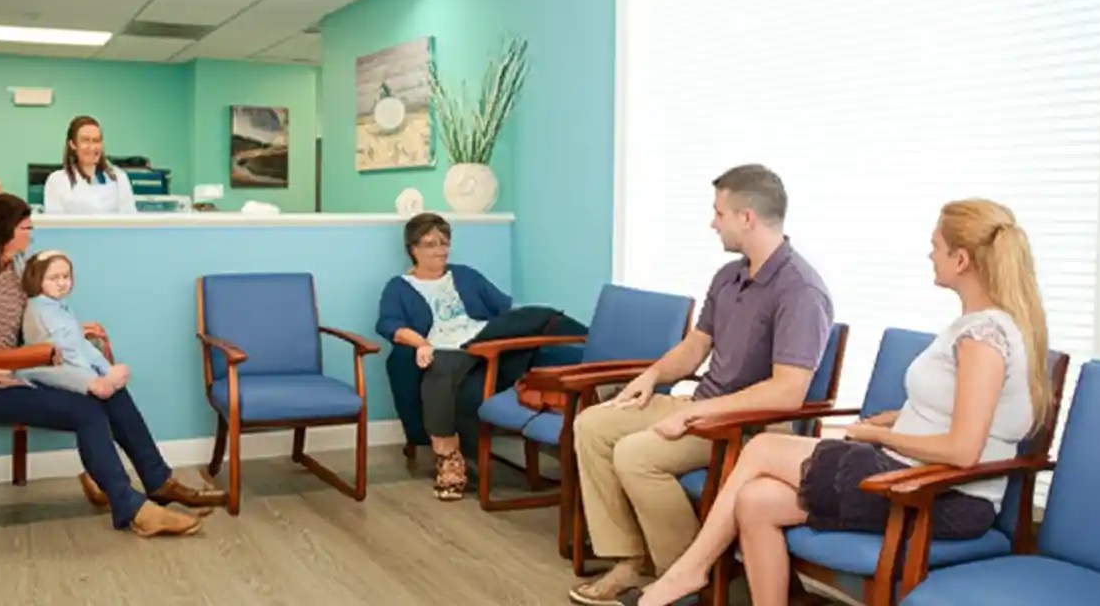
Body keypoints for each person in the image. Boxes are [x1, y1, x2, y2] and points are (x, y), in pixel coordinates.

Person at [622, 198, 1050, 606]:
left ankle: (690, 570)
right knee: (754, 501)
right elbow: (969, 408)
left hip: (939, 497)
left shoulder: (983, 338)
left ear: (962, 261)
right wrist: (900, 418)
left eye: (935, 246)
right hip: (913, 478)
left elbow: (963, 449)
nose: (928, 254)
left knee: (763, 447)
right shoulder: (983, 328)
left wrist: (871, 434)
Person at [569, 164, 834, 606]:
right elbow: (696, 345)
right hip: (702, 407)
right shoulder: (728, 276)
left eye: (719, 213)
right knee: (594, 424)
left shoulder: (800, 289)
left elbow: (788, 391)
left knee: (637, 455)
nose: (713, 223)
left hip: (751, 428)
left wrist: (696, 412)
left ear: (746, 218)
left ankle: (686, 579)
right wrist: (652, 377)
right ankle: (629, 560)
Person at [0, 193, 224, 537]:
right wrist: (26, 356)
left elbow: (37, 318)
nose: (31, 233)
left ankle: (157, 481)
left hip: (27, 373)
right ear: (1, 231)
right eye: (25, 227)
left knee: (111, 393)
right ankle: (132, 509)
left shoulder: (14, 270)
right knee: (87, 410)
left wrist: (74, 329)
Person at [376, 212, 584, 501]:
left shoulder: (465, 275)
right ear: (413, 248)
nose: (440, 250)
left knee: (538, 315)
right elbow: (389, 324)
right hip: (446, 349)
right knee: (441, 367)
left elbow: (506, 308)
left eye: (445, 242)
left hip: (485, 340)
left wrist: (525, 320)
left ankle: (592, 341)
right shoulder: (399, 287)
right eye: (431, 244)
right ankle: (448, 458)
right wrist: (421, 344)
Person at [17, 249, 128, 399]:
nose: (62, 283)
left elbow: (79, 344)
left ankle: (103, 379)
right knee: (98, 386)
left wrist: (106, 369)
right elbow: (63, 350)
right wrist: (90, 374)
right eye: (53, 278)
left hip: (71, 364)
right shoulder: (39, 309)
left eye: (66, 277)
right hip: (48, 366)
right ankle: (96, 382)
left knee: (117, 379)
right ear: (37, 279)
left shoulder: (60, 306)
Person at [43, 115, 137, 215]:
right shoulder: (57, 181)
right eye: (86, 140)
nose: (92, 147)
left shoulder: (119, 178)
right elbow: (54, 225)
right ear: (73, 144)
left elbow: (131, 220)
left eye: (96, 141)